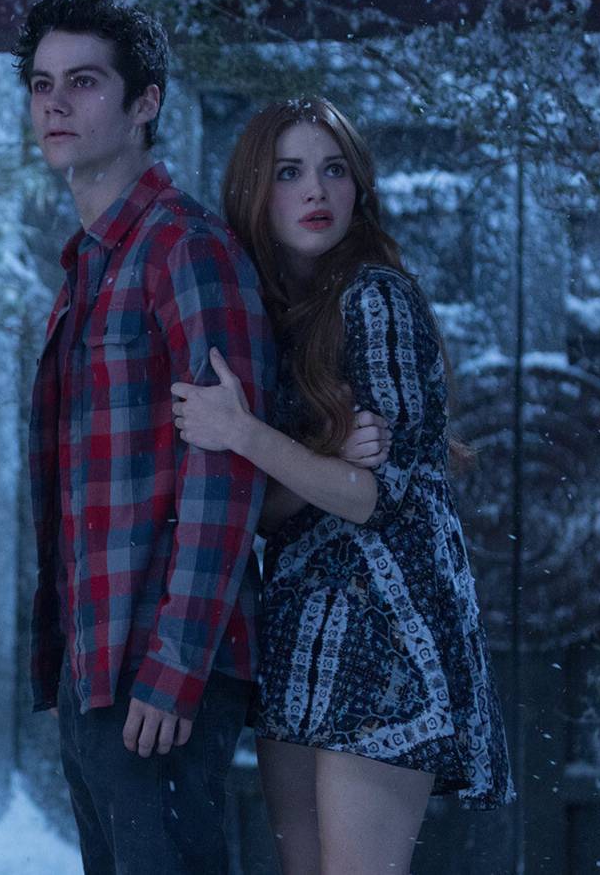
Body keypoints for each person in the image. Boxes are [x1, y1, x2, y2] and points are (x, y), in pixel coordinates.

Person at [170, 97, 515, 874]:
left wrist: (248, 435)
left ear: (359, 187)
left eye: (333, 170)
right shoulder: (269, 314)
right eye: (289, 173)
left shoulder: (376, 298)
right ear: (256, 188)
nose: (315, 191)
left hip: (388, 631)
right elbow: (269, 514)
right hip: (300, 635)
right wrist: (320, 455)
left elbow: (375, 499)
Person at [15, 0, 274, 873]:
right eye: (42, 83)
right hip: (95, 662)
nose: (55, 103)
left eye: (84, 82)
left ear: (144, 103)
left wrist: (175, 665)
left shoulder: (185, 249)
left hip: (160, 666)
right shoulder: (89, 265)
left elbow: (226, 474)